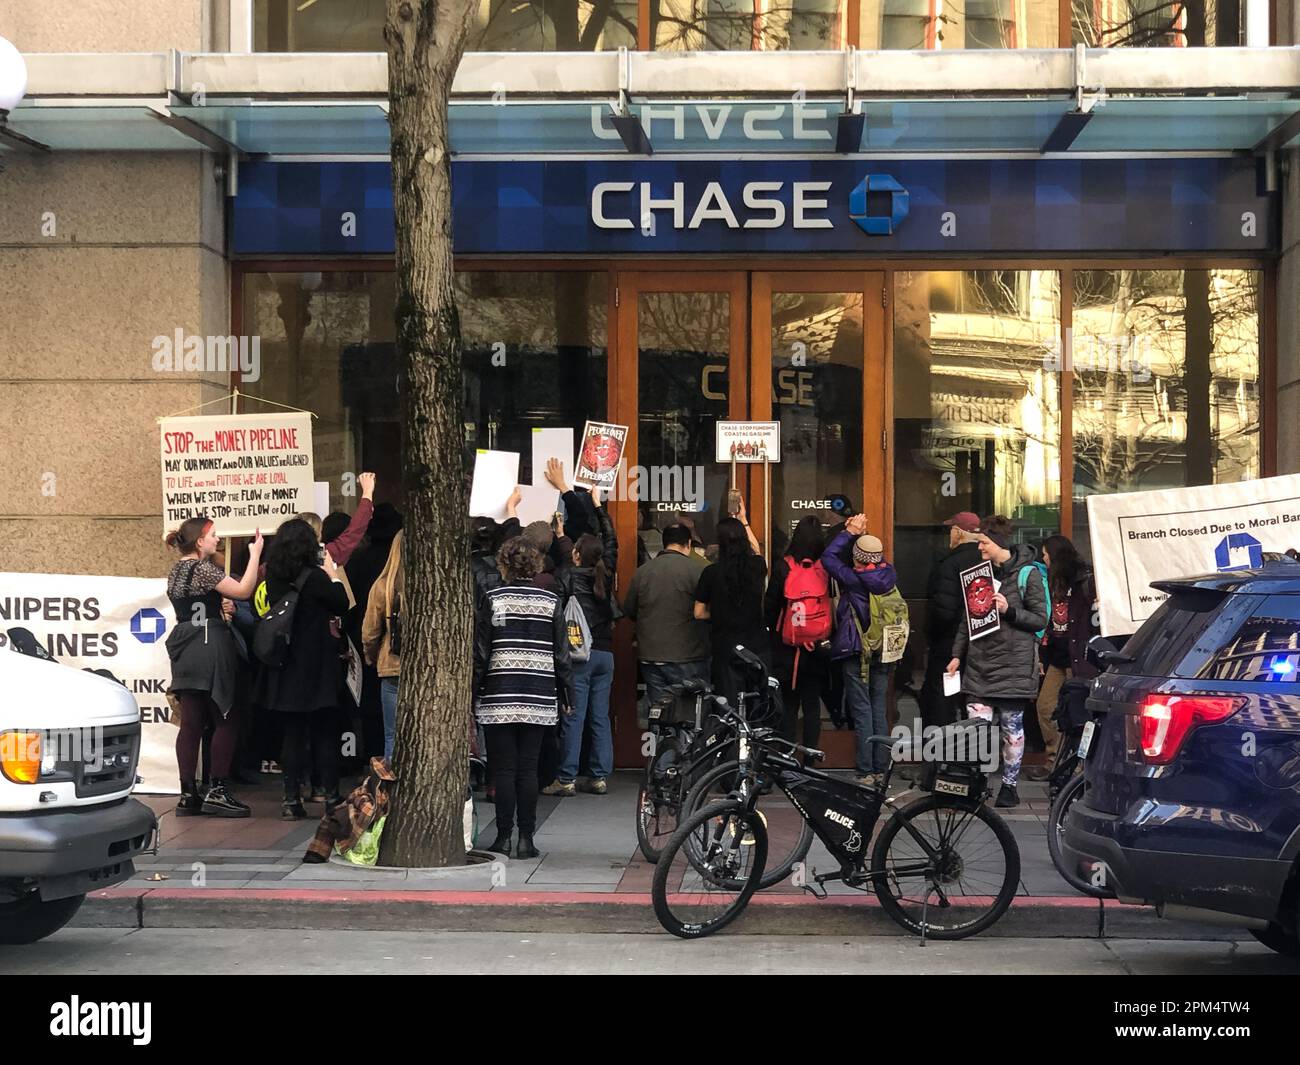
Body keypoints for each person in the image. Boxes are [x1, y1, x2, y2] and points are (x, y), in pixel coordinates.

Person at [475, 538, 573, 859]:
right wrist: (566, 692)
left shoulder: (492, 599)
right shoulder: (551, 601)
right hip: (538, 692)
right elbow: (561, 654)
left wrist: (473, 692)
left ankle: (503, 836)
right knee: (528, 769)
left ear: (503, 563)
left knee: (502, 770)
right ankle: (527, 839)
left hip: (499, 691)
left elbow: (481, 653)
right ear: (535, 564)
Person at [945, 515, 1048, 809]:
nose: (980, 549)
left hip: (1014, 666)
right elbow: (968, 618)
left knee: (1011, 728)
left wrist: (1010, 610)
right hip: (980, 663)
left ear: (999, 543)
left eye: (984, 543)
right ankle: (974, 782)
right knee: (975, 727)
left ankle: (1009, 786)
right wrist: (956, 654)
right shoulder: (978, 574)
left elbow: (1041, 619)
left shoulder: (1029, 574)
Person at [164, 515, 264, 817]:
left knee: (191, 721)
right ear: (199, 541)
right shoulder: (204, 569)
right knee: (226, 716)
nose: (217, 540)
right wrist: (256, 552)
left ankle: (188, 793)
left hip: (184, 643)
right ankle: (218, 790)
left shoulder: (176, 570)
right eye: (213, 535)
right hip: (209, 642)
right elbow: (244, 589)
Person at [254, 518, 351, 820]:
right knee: (324, 733)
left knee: (292, 736)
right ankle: (331, 796)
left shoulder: (273, 577)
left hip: (285, 666)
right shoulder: (315, 578)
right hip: (317, 665)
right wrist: (333, 576)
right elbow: (341, 603)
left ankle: (290, 799)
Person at [821, 515, 902, 786]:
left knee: (861, 709)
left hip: (857, 649)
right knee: (879, 706)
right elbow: (870, 557)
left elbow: (829, 557)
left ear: (856, 559)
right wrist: (861, 537)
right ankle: (882, 768)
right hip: (884, 650)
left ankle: (866, 770)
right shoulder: (888, 573)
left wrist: (849, 532)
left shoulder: (853, 578)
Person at [544, 512, 619, 796]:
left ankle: (566, 778)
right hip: (605, 654)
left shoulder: (566, 576)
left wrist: (561, 534)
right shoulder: (605, 573)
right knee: (599, 716)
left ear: (576, 554)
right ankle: (599, 776)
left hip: (578, 655)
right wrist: (599, 508)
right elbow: (612, 542)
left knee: (573, 715)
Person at [1025, 533, 1098, 780]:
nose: (1043, 560)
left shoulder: (1084, 582)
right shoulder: (1053, 583)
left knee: (1078, 713)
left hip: (1080, 658)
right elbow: (1051, 622)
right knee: (1045, 706)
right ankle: (1054, 760)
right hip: (1058, 657)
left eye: (1045, 555)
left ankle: (1075, 767)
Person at [623, 522, 711, 703]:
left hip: (650, 654)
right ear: (688, 544)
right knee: (690, 714)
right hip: (688, 654)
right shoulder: (698, 571)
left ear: (665, 543)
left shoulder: (642, 572)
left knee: (660, 712)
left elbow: (630, 609)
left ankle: (659, 732)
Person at [765, 516, 832, 752]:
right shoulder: (825, 567)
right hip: (817, 645)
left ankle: (786, 755)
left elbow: (770, 606)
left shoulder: (784, 566)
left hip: (787, 647)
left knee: (790, 704)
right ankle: (812, 757)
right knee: (812, 704)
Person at [694, 500, 769, 707]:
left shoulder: (711, 572)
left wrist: (718, 612)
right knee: (754, 700)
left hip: (724, 646)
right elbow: (757, 551)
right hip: (755, 645)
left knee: (727, 703)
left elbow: (699, 613)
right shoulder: (756, 567)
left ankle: (730, 738)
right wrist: (744, 520)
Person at [920, 511, 984, 730]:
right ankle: (975, 751)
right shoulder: (988, 559)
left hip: (949, 640)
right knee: (975, 697)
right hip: (983, 639)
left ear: (958, 532)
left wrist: (933, 636)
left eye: (951, 530)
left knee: (942, 694)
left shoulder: (950, 563)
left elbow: (944, 611)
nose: (950, 534)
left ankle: (942, 753)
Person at [361, 530, 403, 763]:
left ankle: (393, 792)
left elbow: (370, 632)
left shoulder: (383, 587)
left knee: (392, 735)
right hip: (427, 669)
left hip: (392, 665)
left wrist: (372, 656)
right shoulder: (431, 588)